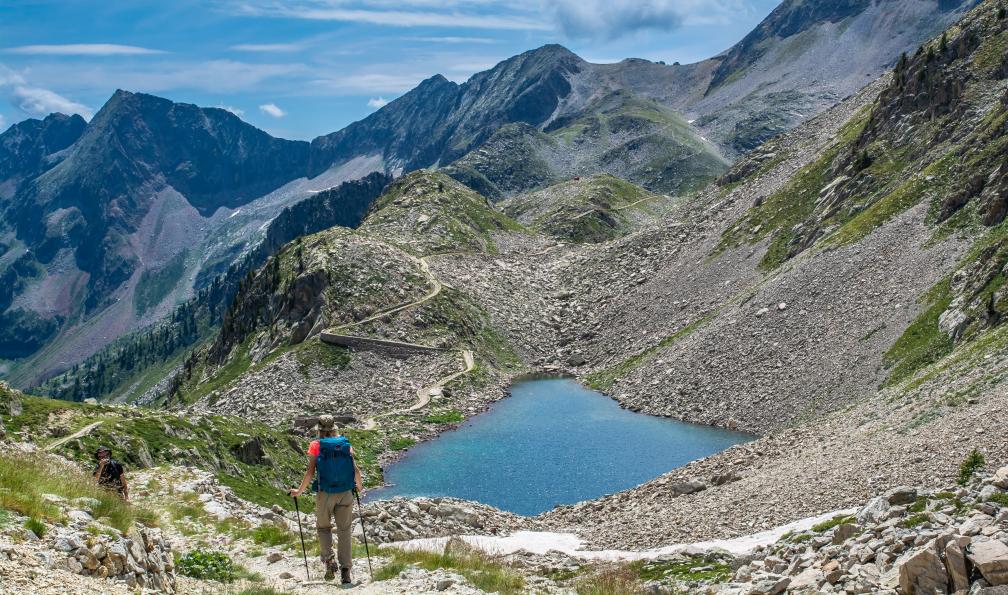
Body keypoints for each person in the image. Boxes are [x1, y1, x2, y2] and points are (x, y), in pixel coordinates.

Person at [289, 415, 363, 584]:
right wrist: (358, 486)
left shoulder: (316, 445)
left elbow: (310, 472)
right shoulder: (345, 444)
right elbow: (355, 469)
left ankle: (329, 561)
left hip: (326, 493)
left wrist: (299, 491)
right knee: (344, 530)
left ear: (319, 429)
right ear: (335, 428)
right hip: (345, 492)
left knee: (323, 528)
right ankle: (346, 571)